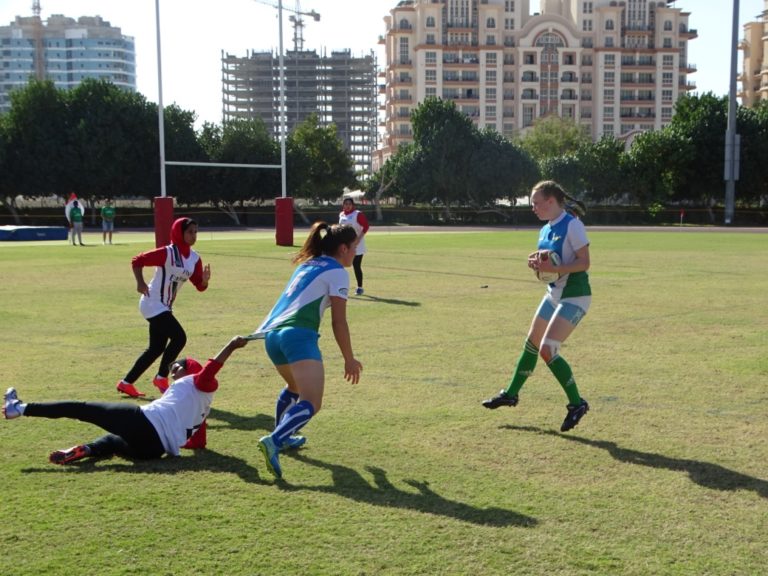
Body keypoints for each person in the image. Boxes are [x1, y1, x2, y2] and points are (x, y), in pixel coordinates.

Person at [2, 336, 248, 464]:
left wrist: (231, 345)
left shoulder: (198, 381)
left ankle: (20, 408)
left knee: (82, 409)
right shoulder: (201, 406)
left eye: (177, 368)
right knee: (112, 441)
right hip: (152, 451)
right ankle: (86, 450)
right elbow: (199, 443)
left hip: (144, 422)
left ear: (190, 370)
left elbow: (211, 369)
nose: (172, 373)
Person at [253, 221, 363, 478]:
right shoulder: (337, 272)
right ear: (344, 248)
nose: (356, 253)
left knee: (294, 388)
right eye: (354, 247)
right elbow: (339, 321)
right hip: (298, 336)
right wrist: (349, 359)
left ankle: (286, 435)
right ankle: (275, 439)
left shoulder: (309, 263)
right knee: (312, 401)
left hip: (272, 336)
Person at [482, 180, 592, 432]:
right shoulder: (544, 230)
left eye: (536, 203)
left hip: (575, 295)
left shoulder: (573, 225)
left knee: (547, 349)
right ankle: (511, 394)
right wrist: (537, 263)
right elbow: (548, 263)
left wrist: (553, 268)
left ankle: (577, 404)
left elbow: (584, 263)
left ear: (551, 201)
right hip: (554, 293)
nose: (533, 207)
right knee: (532, 343)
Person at [116, 217, 211, 398]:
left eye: (196, 232)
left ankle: (126, 383)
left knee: (156, 348)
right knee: (179, 337)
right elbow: (137, 260)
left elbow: (199, 286)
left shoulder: (194, 258)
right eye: (190, 232)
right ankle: (161, 377)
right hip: (152, 303)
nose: (193, 235)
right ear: (179, 232)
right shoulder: (167, 253)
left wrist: (205, 281)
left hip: (164, 306)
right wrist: (140, 283)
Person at [338, 197, 369, 295]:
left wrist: (358, 240)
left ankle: (360, 287)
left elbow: (366, 226)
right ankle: (340, 287)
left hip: (357, 245)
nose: (347, 206)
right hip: (344, 245)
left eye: (349, 204)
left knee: (356, 265)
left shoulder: (357, 214)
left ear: (353, 205)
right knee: (340, 265)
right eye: (345, 204)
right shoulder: (341, 215)